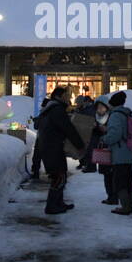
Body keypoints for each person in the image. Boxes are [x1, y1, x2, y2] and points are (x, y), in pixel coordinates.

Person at [32, 86, 84, 215]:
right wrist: (80, 145)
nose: (69, 98)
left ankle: (58, 203)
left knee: (61, 175)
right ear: (59, 96)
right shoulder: (56, 110)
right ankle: (52, 206)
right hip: (52, 147)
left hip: (50, 146)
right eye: (67, 95)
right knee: (58, 176)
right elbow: (68, 128)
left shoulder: (49, 108)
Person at [101, 90, 132, 215]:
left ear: (112, 104)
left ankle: (125, 207)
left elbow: (115, 134)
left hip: (120, 153)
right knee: (128, 180)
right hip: (130, 152)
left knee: (120, 181)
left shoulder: (116, 115)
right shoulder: (128, 114)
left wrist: (104, 139)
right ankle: (130, 205)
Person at [90, 94, 116, 205]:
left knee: (113, 174)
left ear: (107, 107)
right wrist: (95, 129)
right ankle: (110, 196)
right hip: (102, 150)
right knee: (106, 174)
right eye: (98, 107)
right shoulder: (95, 117)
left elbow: (115, 133)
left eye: (102, 107)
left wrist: (105, 130)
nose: (100, 109)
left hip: (112, 150)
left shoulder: (112, 117)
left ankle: (114, 196)